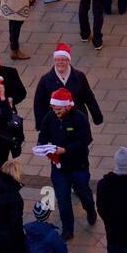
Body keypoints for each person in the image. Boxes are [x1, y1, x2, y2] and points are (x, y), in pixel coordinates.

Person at [37, 85, 96, 241]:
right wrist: (43, 147)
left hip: (78, 166)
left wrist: (65, 150)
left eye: (58, 109)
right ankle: (68, 229)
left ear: (67, 105)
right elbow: (42, 136)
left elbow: (85, 140)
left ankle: (90, 209)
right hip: (59, 168)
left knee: (84, 193)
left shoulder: (79, 118)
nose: (56, 111)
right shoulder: (50, 118)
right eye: (54, 108)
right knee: (63, 199)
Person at [33, 43, 102, 134]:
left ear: (68, 60)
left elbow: (88, 97)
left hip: (78, 121)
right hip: (56, 123)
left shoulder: (79, 77)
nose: (60, 63)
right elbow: (39, 103)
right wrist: (41, 125)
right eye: (57, 60)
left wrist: (97, 116)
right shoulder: (46, 80)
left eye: (63, 60)